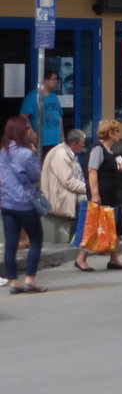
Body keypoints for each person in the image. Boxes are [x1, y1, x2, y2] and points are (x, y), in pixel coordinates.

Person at [1, 115, 47, 294]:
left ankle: (14, 282)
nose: (30, 131)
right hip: (25, 204)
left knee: (11, 244)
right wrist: (34, 154)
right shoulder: (26, 153)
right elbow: (36, 176)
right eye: (27, 128)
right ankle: (30, 279)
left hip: (7, 204)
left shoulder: (3, 152)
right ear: (21, 131)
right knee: (36, 240)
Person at [77, 118, 122, 271]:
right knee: (95, 227)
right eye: (117, 131)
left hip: (111, 194)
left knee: (116, 227)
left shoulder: (109, 151)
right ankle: (81, 258)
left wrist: (118, 168)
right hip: (102, 195)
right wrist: (94, 194)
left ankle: (114, 259)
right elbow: (92, 171)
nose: (120, 134)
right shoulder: (98, 149)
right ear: (110, 133)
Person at [42, 128, 88, 245]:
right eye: (82, 143)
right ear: (74, 144)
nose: (83, 146)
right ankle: (79, 237)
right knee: (85, 201)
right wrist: (88, 188)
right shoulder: (61, 155)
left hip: (66, 189)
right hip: (60, 194)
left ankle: (82, 235)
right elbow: (68, 182)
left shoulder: (67, 151)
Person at [20, 69, 63, 158]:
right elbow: (23, 116)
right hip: (41, 141)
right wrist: (31, 132)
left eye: (56, 79)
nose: (56, 81)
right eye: (53, 79)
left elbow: (59, 116)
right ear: (45, 81)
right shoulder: (33, 96)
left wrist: (62, 135)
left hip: (55, 140)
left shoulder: (54, 96)